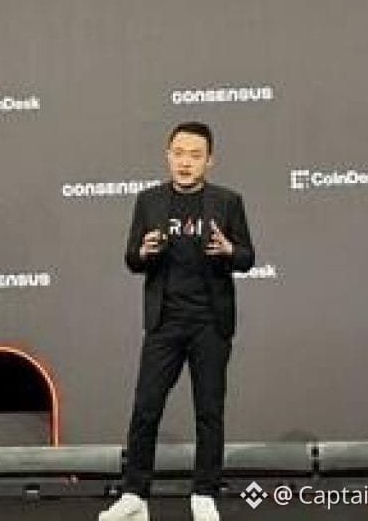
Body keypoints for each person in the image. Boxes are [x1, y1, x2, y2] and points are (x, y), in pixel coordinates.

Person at [99, 121, 254, 521]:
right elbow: (132, 258)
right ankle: (135, 495)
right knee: (145, 408)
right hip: (164, 322)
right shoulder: (148, 201)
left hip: (210, 323)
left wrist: (229, 249)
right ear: (167, 155)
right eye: (179, 153)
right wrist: (144, 251)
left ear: (209, 160)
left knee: (209, 411)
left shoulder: (228, 202)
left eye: (195, 155)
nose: (185, 162)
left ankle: (204, 493)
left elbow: (247, 257)